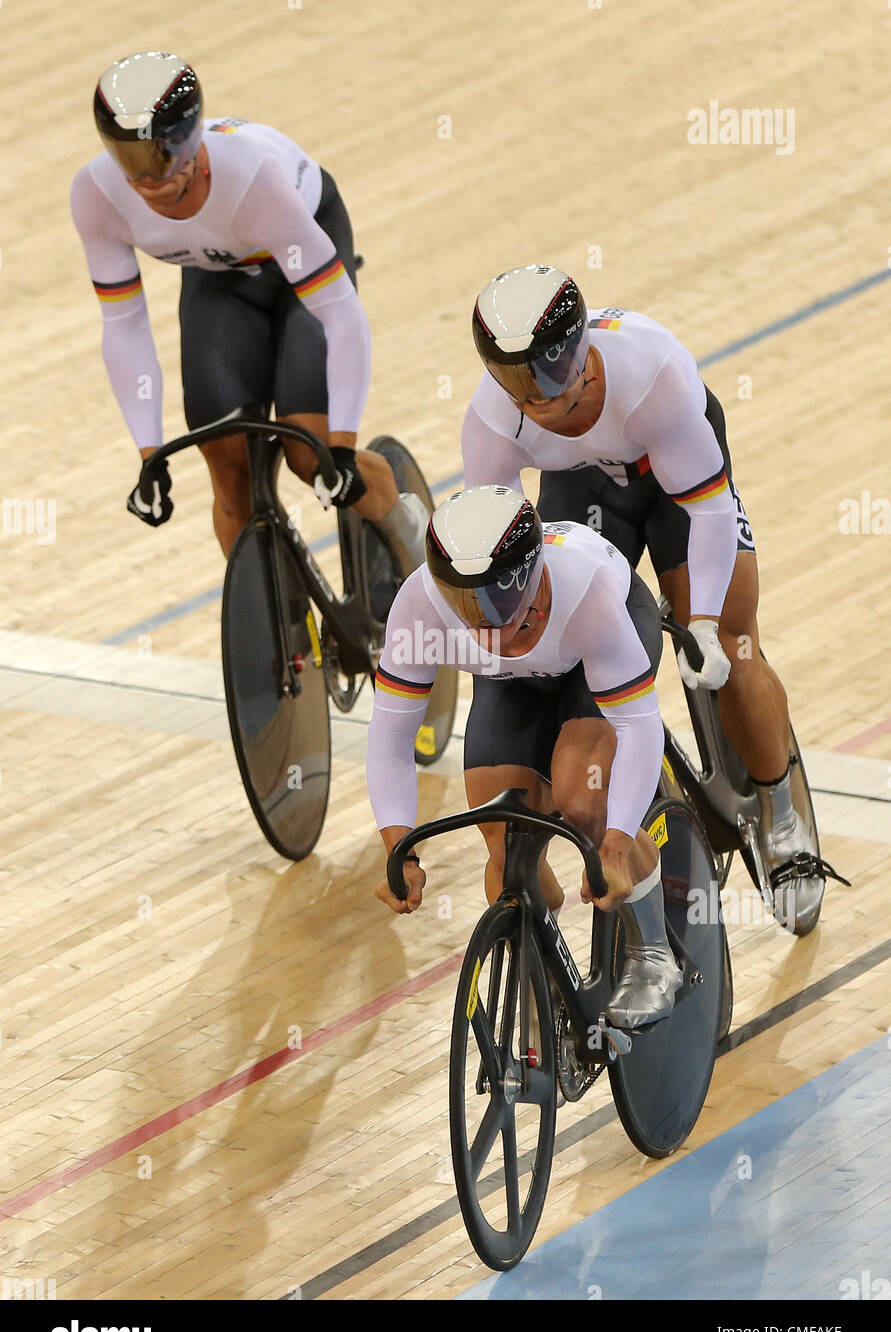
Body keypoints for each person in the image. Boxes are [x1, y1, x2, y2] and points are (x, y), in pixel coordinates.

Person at [464, 264, 824, 931]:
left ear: (577, 356)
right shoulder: (493, 417)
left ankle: (782, 812)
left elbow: (710, 515)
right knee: (569, 651)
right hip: (585, 491)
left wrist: (708, 625)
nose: (526, 397)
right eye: (508, 379)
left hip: (674, 482)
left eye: (537, 375)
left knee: (731, 646)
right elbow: (500, 550)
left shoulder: (648, 371)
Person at [71, 50, 425, 568]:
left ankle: (417, 547)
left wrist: (343, 448)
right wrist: (149, 453)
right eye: (131, 160)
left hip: (302, 262)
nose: (148, 179)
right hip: (221, 276)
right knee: (228, 468)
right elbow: (123, 325)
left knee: (312, 452)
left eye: (161, 156)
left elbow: (340, 315)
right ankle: (275, 631)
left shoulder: (253, 177)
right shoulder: (96, 193)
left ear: (192, 140)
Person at [368, 484, 683, 1030]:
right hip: (510, 684)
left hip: (592, 660)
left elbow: (636, 723)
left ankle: (654, 953)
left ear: (530, 580)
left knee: (584, 800)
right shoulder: (420, 604)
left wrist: (615, 841)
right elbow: (391, 734)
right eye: (464, 604)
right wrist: (399, 850)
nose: (481, 620)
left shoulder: (583, 594)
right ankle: (539, 970)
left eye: (494, 600)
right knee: (505, 837)